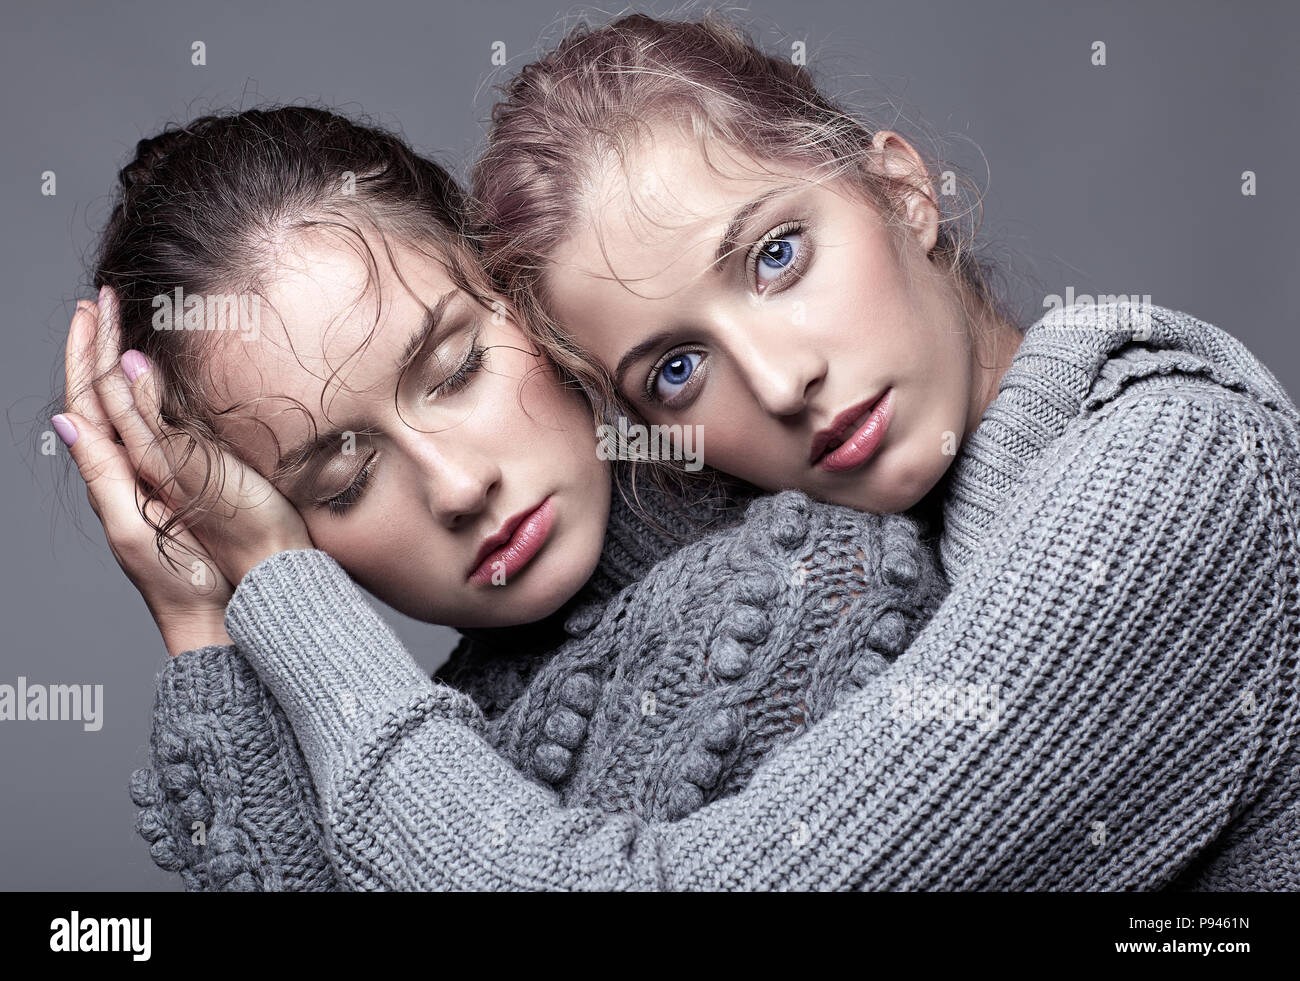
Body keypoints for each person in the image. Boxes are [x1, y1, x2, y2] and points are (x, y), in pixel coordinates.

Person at [143, 14, 1297, 889]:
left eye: (776, 257)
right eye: (678, 369)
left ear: (900, 190)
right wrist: (205, 621)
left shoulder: (1174, 468)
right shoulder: (806, 545)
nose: (783, 383)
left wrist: (286, 597)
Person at [54, 106, 948, 890]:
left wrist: (280, 591)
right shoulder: (440, 723)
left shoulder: (813, 581)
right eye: (345, 480)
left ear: (516, 289)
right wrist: (202, 615)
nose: (457, 486)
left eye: (456, 370)